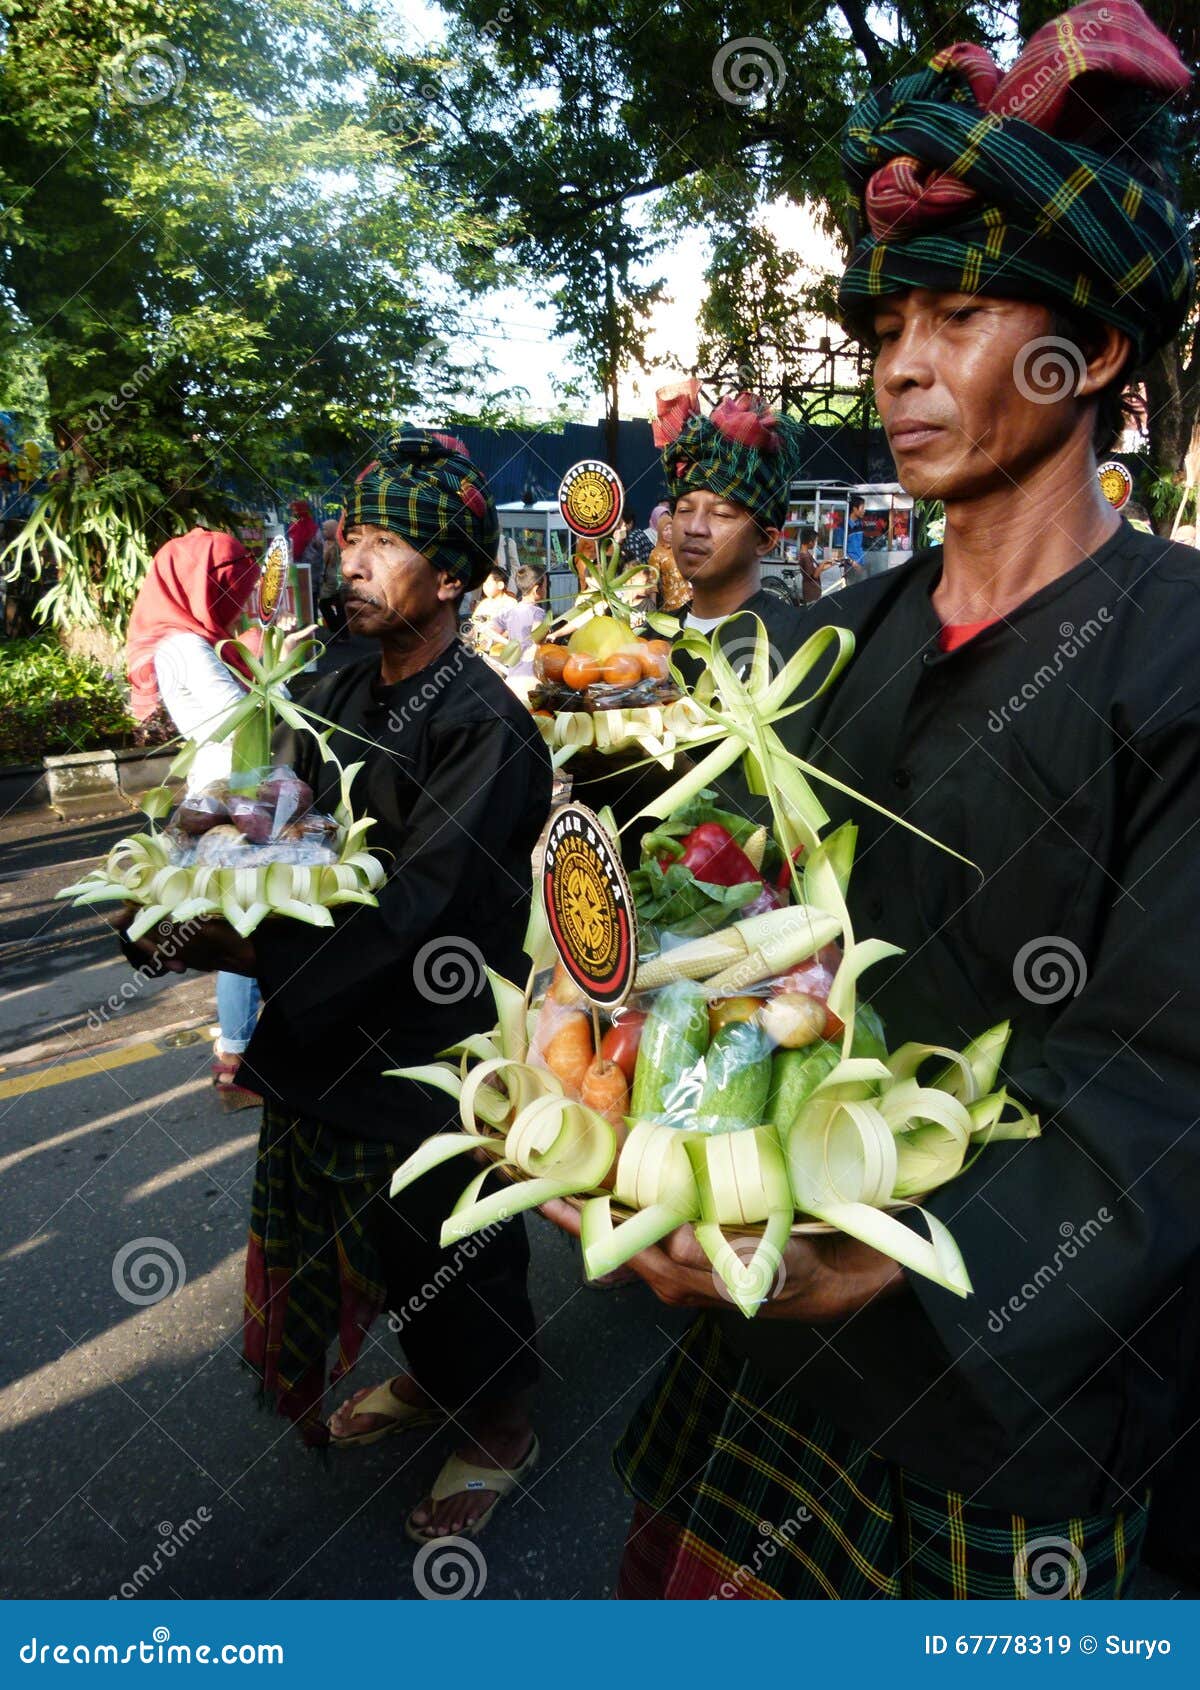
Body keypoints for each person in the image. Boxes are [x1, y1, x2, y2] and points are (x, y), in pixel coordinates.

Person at [544, 0, 1200, 1598]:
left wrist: (888, 1253)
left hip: (1011, 1386)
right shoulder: (834, 645)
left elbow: (1162, 1086)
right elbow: (730, 914)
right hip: (768, 1350)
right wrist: (614, 1082)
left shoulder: (1176, 660)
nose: (903, 366)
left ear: (1094, 349)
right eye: (890, 325)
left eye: (964, 315)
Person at [116, 429, 553, 1542]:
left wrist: (253, 953)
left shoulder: (489, 732)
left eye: (385, 543)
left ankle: (497, 1418)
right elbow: (261, 804)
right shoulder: (329, 680)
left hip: (429, 1045)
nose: (350, 560)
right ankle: (432, 1377)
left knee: (445, 1242)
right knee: (370, 1242)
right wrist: (169, 896)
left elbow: (423, 910)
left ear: (450, 576)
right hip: (324, 1030)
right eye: (348, 537)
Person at [124, 528, 266, 1108]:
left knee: (251, 928)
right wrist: (268, 667)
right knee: (243, 935)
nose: (234, 598)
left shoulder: (193, 641)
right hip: (229, 805)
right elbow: (241, 724)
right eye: (229, 586)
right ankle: (234, 1066)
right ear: (197, 585)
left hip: (237, 799)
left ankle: (242, 1061)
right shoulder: (184, 646)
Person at [491, 562, 548, 692]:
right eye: (546, 585)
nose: (546, 589)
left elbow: (488, 629)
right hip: (532, 678)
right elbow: (536, 637)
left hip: (512, 678)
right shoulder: (537, 613)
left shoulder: (511, 610)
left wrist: (508, 642)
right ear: (536, 589)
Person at [647, 501, 691, 613]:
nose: (670, 532)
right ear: (660, 532)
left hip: (691, 599)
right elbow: (653, 582)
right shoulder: (656, 554)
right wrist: (653, 608)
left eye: (672, 528)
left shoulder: (681, 547)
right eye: (666, 530)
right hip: (672, 605)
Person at [316, 519, 345, 635]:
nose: (323, 532)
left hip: (333, 581)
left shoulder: (335, 545)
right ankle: (341, 633)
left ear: (333, 530)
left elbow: (325, 561)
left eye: (325, 529)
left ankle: (338, 631)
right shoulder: (331, 543)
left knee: (324, 604)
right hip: (335, 580)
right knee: (339, 606)